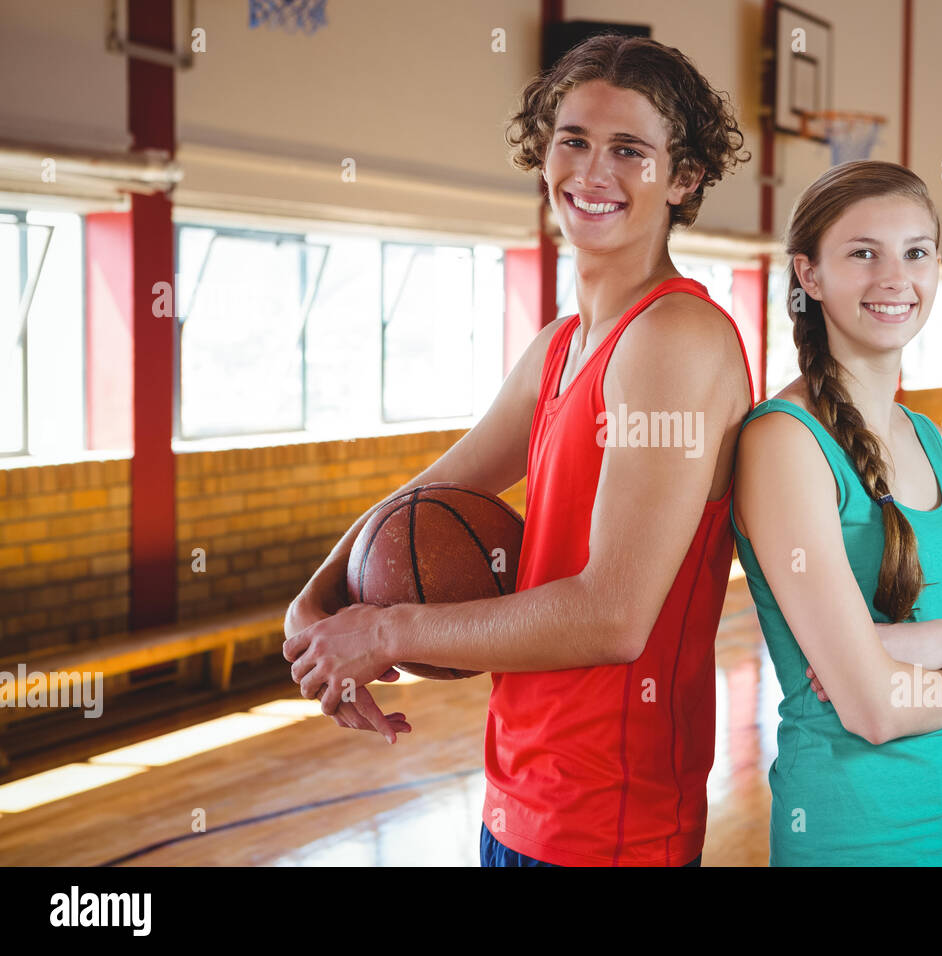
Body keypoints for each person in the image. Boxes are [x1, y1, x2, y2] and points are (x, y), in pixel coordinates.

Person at [283, 34, 754, 867]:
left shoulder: (675, 338)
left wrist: (387, 631)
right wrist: (316, 607)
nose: (593, 172)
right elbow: (423, 494)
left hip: (612, 819)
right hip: (520, 796)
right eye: (572, 140)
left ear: (683, 180)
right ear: (542, 157)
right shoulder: (561, 348)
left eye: (630, 151)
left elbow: (612, 616)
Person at [730, 160, 942, 865]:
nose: (896, 279)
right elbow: (876, 708)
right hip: (857, 833)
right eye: (863, 254)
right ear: (810, 275)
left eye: (916, 253)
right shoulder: (784, 444)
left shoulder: (933, 444)